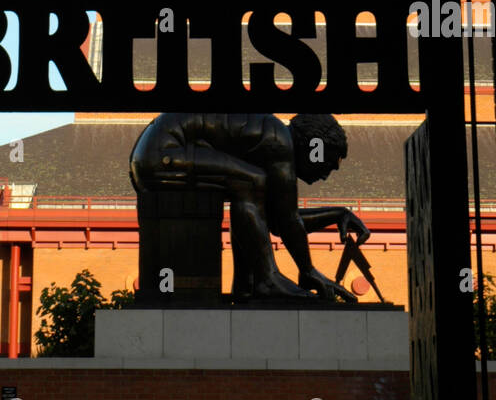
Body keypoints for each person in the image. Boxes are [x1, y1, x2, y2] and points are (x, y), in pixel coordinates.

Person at [130, 112, 369, 300]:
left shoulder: (272, 137)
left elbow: (276, 221)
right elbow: (286, 221)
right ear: (313, 146)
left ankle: (248, 285)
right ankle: (267, 281)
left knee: (250, 187)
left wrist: (337, 214)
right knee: (251, 182)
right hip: (163, 154)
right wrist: (308, 270)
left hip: (154, 154)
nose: (326, 175)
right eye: (328, 163)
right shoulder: (279, 141)